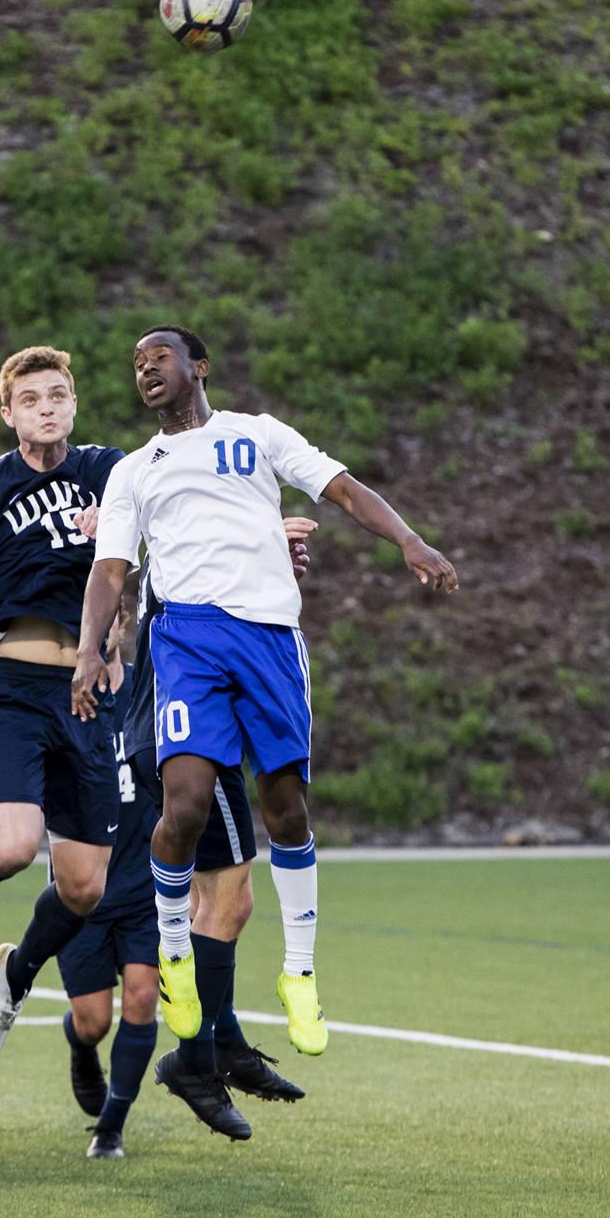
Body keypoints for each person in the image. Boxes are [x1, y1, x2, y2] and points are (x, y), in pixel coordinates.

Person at [71, 324, 459, 1109]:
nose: (145, 369)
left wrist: (410, 540)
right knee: (184, 801)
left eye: (159, 357)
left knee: (286, 809)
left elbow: (343, 489)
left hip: (271, 639)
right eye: (136, 363)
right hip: (186, 639)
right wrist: (88, 651)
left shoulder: (258, 435)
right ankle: (174, 952)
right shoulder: (132, 471)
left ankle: (300, 973)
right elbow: (111, 569)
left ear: (199, 366)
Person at [0, 347, 126, 1061]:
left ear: (74, 403)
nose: (47, 407)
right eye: (31, 398)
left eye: (58, 395)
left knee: (84, 887)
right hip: (17, 685)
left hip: (91, 694)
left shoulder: (110, 471)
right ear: (8, 412)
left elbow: (159, 549)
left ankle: (16, 974)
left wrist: (117, 532)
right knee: (10, 845)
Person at [60, 601, 306, 1154]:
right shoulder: (185, 592)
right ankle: (198, 1058)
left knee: (210, 904)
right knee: (227, 903)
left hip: (171, 728)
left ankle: (224, 1042)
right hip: (190, 732)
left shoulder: (157, 625)